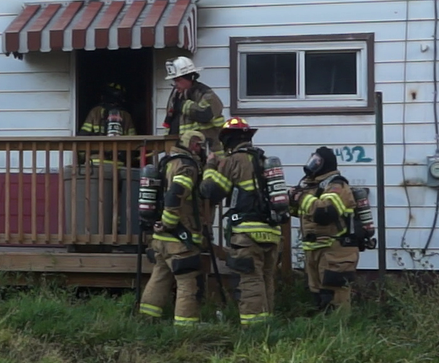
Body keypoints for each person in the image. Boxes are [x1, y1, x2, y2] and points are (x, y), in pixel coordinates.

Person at [200, 117, 282, 326]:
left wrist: (210, 165)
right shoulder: (263, 160)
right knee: (265, 278)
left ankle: (254, 328)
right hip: (272, 231)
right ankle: (267, 324)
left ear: (228, 140)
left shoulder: (234, 160)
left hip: (247, 232)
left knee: (250, 279)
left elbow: (211, 190)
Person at [139, 130, 208, 326]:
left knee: (159, 277)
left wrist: (161, 227)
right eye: (200, 146)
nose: (202, 150)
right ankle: (187, 330)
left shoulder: (166, 162)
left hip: (161, 239)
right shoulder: (187, 166)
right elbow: (175, 194)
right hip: (180, 237)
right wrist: (169, 223)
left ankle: (146, 322)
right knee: (188, 282)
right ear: (194, 144)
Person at [290, 147, 359, 311]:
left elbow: (326, 212)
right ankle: (324, 332)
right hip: (315, 250)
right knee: (319, 298)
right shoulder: (314, 186)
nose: (312, 165)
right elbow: (303, 213)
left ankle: (341, 332)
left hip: (335, 251)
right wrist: (291, 200)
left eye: (317, 161)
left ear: (325, 164)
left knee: (335, 297)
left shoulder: (336, 185)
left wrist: (301, 198)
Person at [162, 56, 226, 158]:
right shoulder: (176, 95)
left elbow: (205, 114)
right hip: (186, 151)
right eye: (174, 80)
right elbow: (171, 120)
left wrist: (185, 105)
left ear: (190, 77)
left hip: (210, 152)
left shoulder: (206, 94)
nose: (176, 84)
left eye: (178, 80)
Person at [78, 82, 137, 167]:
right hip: (118, 163)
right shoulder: (126, 116)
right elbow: (134, 143)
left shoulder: (95, 112)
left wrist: (82, 157)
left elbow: (83, 136)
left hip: (95, 162)